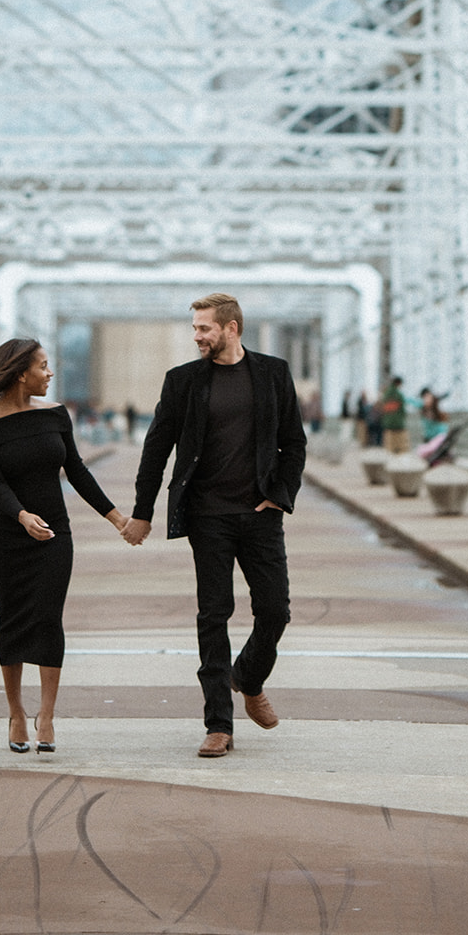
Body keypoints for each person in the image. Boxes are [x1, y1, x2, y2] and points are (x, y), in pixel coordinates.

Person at [121, 292, 306, 759]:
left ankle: (248, 677)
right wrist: (143, 512)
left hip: (261, 514)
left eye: (204, 328)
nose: (198, 337)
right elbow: (156, 448)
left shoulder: (272, 373)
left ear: (232, 328)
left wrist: (278, 496)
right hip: (208, 516)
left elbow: (293, 443)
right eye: (195, 329)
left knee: (275, 611)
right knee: (213, 614)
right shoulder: (183, 381)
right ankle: (218, 724)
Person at [0, 338, 129, 755]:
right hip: (8, 535)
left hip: (56, 534)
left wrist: (117, 519)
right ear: (22, 372)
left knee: (48, 618)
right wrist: (21, 515)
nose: (50, 373)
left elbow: (76, 471)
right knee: (13, 620)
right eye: (43, 366)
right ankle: (17, 713)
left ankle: (48, 716)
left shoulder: (56, 416)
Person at [378, 374, 408, 453]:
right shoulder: (399, 395)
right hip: (398, 424)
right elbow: (402, 410)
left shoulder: (386, 394)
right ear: (399, 383)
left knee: (389, 446)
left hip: (387, 423)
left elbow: (382, 408)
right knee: (400, 447)